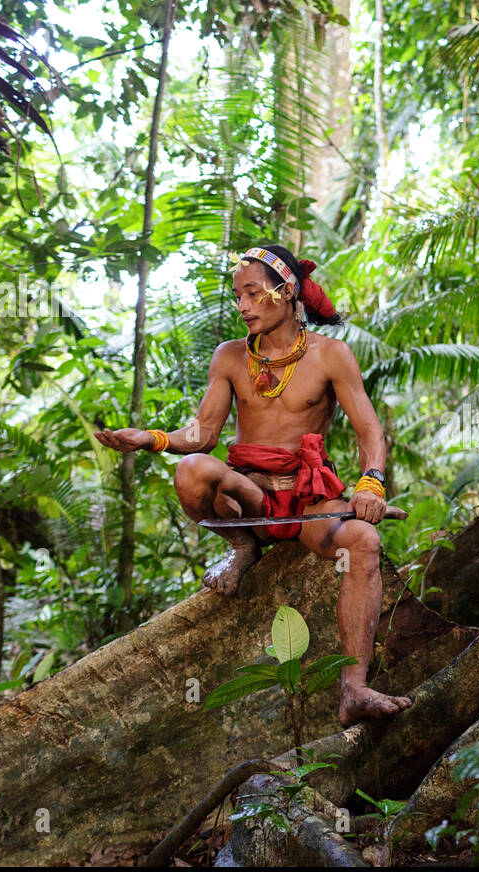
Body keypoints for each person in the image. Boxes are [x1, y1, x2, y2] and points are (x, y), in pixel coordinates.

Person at [94, 243, 412, 726]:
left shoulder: (332, 356)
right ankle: (243, 549)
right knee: (192, 470)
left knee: (363, 541)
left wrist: (371, 484)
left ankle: (355, 689)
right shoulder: (229, 358)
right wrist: (149, 438)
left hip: (307, 503)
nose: (241, 305)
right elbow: (203, 435)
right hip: (251, 500)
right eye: (237, 295)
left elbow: (370, 430)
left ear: (285, 292)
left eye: (251, 293)